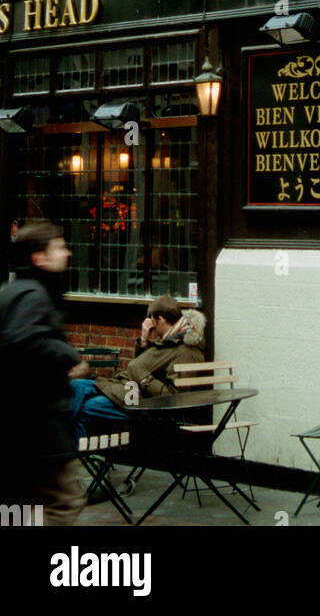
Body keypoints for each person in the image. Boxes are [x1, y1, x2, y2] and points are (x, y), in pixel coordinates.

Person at [0, 221, 88, 524]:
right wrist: (67, 354)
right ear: (39, 257)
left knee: (18, 510)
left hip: (18, 430)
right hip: (40, 429)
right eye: (60, 247)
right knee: (65, 501)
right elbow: (22, 340)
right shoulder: (33, 294)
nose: (67, 253)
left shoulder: (13, 292)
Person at [69, 295, 206, 437]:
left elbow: (172, 398)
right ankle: (65, 444)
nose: (151, 325)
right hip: (125, 387)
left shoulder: (185, 352)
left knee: (87, 407)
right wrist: (144, 340)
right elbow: (144, 365)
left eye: (153, 320)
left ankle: (70, 451)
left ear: (161, 320)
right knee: (77, 384)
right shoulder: (171, 339)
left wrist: (144, 378)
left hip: (138, 400)